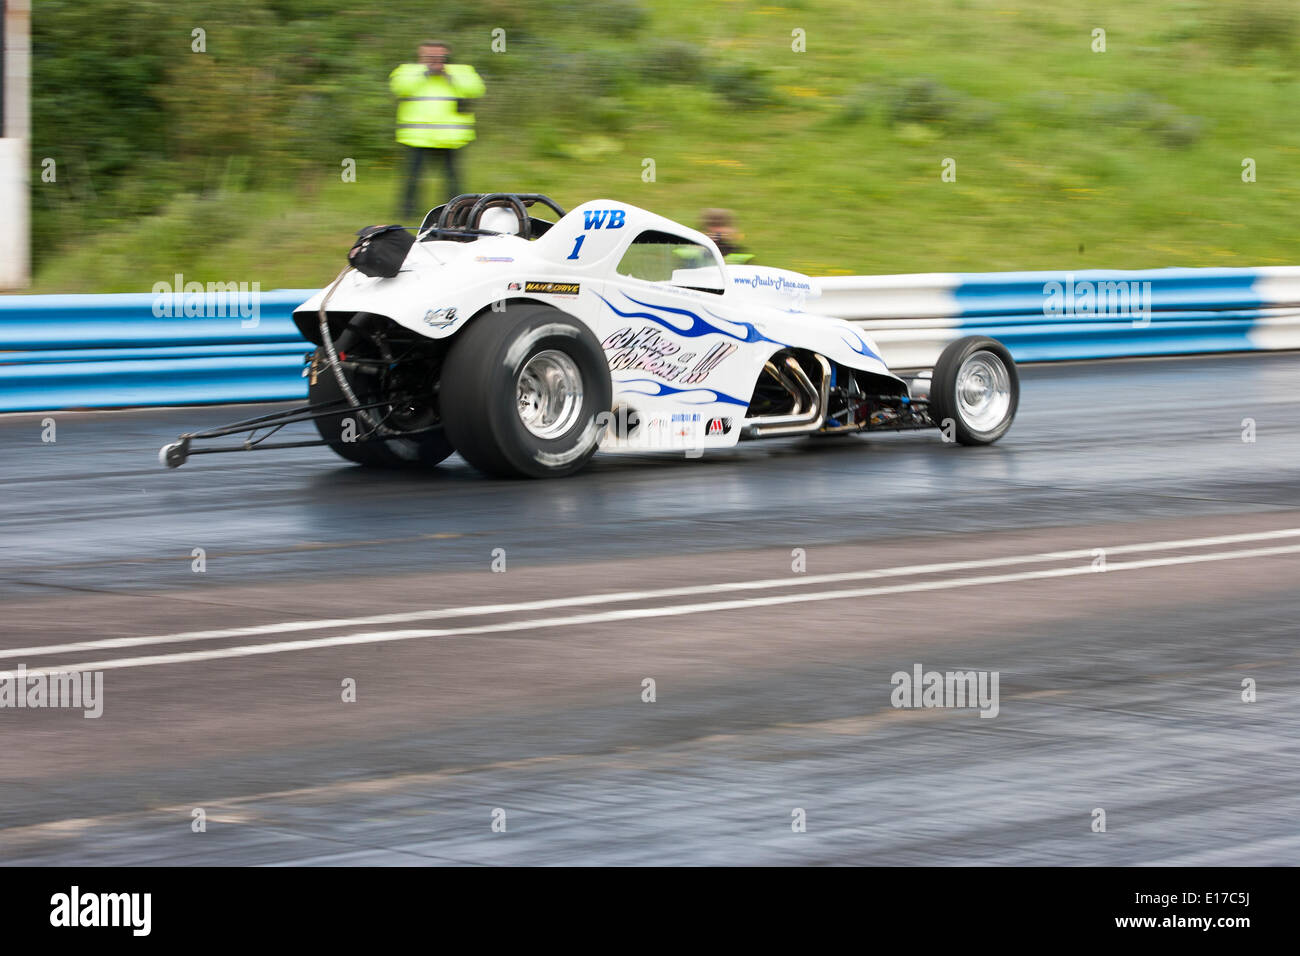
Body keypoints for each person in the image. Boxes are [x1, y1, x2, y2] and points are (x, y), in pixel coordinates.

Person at [390, 41, 485, 221]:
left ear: (447, 56)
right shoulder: (407, 71)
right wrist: (425, 74)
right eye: (429, 57)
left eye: (439, 57)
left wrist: (449, 76)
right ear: (420, 57)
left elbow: (476, 90)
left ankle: (456, 213)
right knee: (412, 179)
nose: (434, 61)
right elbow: (399, 88)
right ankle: (406, 213)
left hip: (450, 138)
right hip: (417, 137)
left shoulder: (462, 71)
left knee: (453, 180)